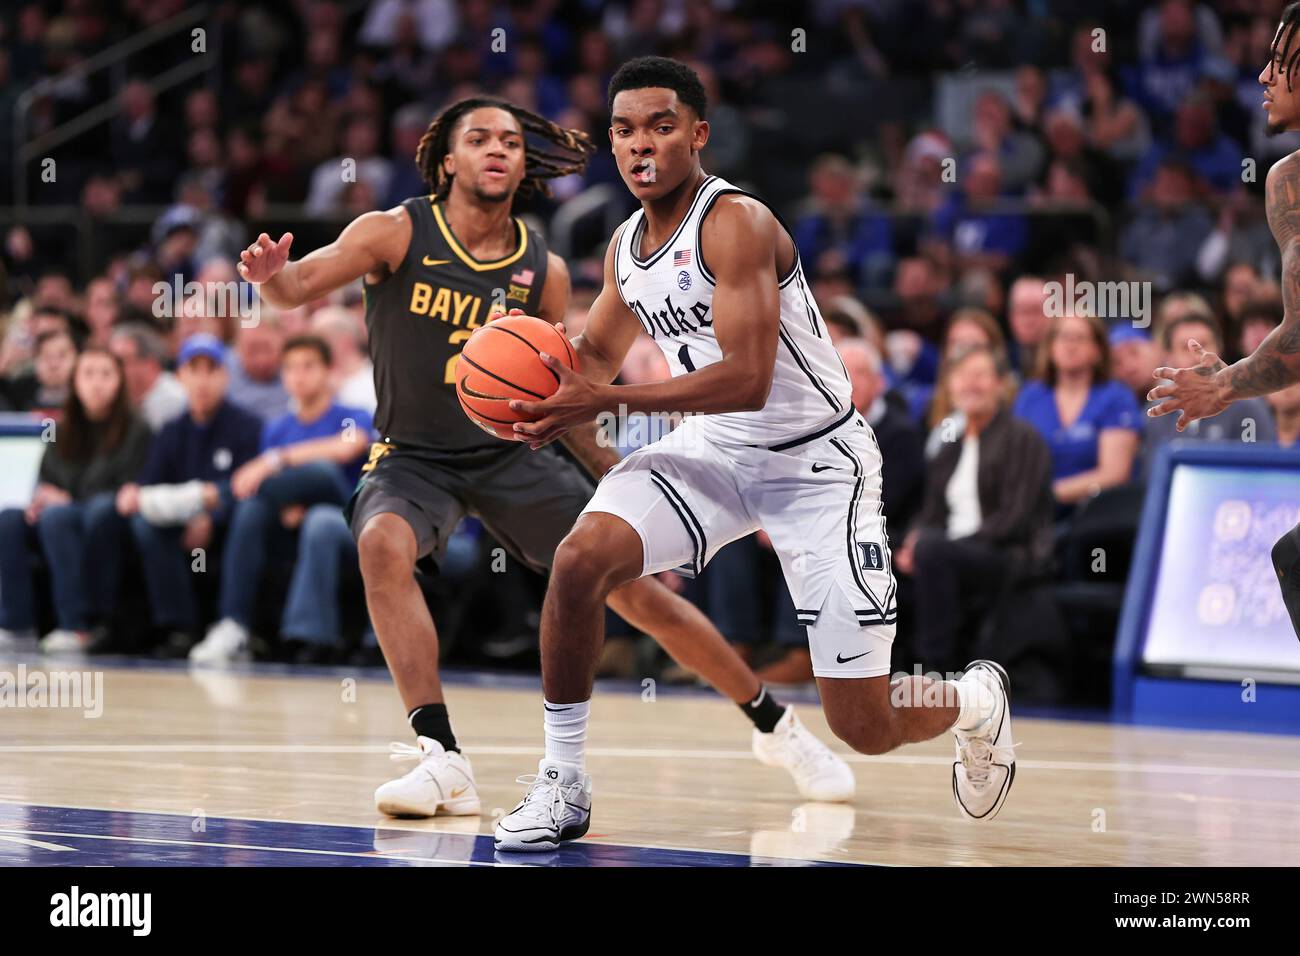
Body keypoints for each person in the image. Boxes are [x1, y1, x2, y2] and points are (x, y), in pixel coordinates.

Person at [236, 93, 853, 817]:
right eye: (479, 138)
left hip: (510, 454)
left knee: (634, 590)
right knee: (380, 542)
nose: (498, 148)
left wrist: (616, 474)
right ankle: (443, 757)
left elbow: (563, 390)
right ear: (447, 159)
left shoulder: (541, 267)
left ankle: (775, 724)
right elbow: (299, 286)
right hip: (415, 455)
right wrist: (272, 277)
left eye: (510, 140)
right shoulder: (395, 231)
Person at [493, 57, 1015, 852]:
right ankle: (563, 783)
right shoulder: (626, 246)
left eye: (661, 126)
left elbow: (744, 377)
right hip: (716, 449)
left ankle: (975, 699)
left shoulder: (735, 221)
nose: (642, 145)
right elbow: (593, 360)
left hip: (819, 466)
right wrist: (535, 390)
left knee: (864, 725)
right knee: (578, 562)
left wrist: (607, 401)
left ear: (697, 134)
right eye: (625, 130)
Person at [1150, 3, 1300, 641]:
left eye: (1279, 60)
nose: (1263, 76)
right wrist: (1225, 385)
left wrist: (1228, 385)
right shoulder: (1286, 183)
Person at [187, 334, 375, 663]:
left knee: (320, 471)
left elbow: (347, 448)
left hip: (345, 512)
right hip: (295, 524)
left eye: (308, 366)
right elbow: (265, 488)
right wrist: (288, 503)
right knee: (252, 508)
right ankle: (234, 624)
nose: (299, 375)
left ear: (329, 370)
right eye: (290, 368)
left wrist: (277, 459)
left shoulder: (351, 413)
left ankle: (212, 496)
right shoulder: (277, 428)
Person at [893, 345, 1054, 672]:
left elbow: (1015, 518)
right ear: (950, 388)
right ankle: (873, 671)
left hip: (1006, 553)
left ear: (1000, 385)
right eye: (963, 377)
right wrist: (911, 542)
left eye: (981, 376)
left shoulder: (1022, 438)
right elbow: (932, 510)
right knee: (883, 554)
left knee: (932, 553)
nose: (971, 385)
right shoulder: (949, 442)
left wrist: (939, 545)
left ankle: (936, 670)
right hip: (949, 551)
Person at [117, 334, 263, 655]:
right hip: (178, 523)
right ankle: (178, 625)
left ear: (225, 376)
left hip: (229, 524)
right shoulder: (171, 430)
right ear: (180, 376)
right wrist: (134, 493)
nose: (202, 380)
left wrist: (211, 516)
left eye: (211, 370)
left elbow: (251, 486)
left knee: (251, 512)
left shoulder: (248, 426)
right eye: (193, 370)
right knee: (143, 524)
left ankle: (232, 624)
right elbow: (149, 484)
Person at [0, 348, 151, 652]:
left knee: (61, 516)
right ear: (75, 383)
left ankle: (76, 625)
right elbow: (46, 479)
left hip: (108, 515)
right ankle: (16, 624)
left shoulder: (137, 429)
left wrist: (64, 499)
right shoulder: (59, 431)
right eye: (88, 374)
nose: (97, 383)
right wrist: (42, 496)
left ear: (120, 382)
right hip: (64, 512)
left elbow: (126, 483)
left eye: (106, 374)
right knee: (9, 519)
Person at [1013, 311, 1142, 508]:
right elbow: (1016, 464)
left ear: (1097, 350)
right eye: (1063, 337)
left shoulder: (1116, 397)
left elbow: (1115, 474)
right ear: (1050, 347)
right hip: (1035, 516)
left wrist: (1049, 494)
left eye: (1080, 338)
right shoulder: (1030, 397)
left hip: (1097, 514)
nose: (1070, 346)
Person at [1143, 308, 1275, 475]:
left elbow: (1262, 472)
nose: (1196, 357)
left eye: (1204, 345)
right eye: (1184, 348)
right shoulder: (1158, 412)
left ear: (1219, 350)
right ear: (1169, 357)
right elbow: (1152, 479)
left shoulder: (1248, 407)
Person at [109, 322, 188, 430]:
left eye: (122, 361)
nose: (115, 368)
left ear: (150, 363)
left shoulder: (174, 400)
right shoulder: (118, 398)